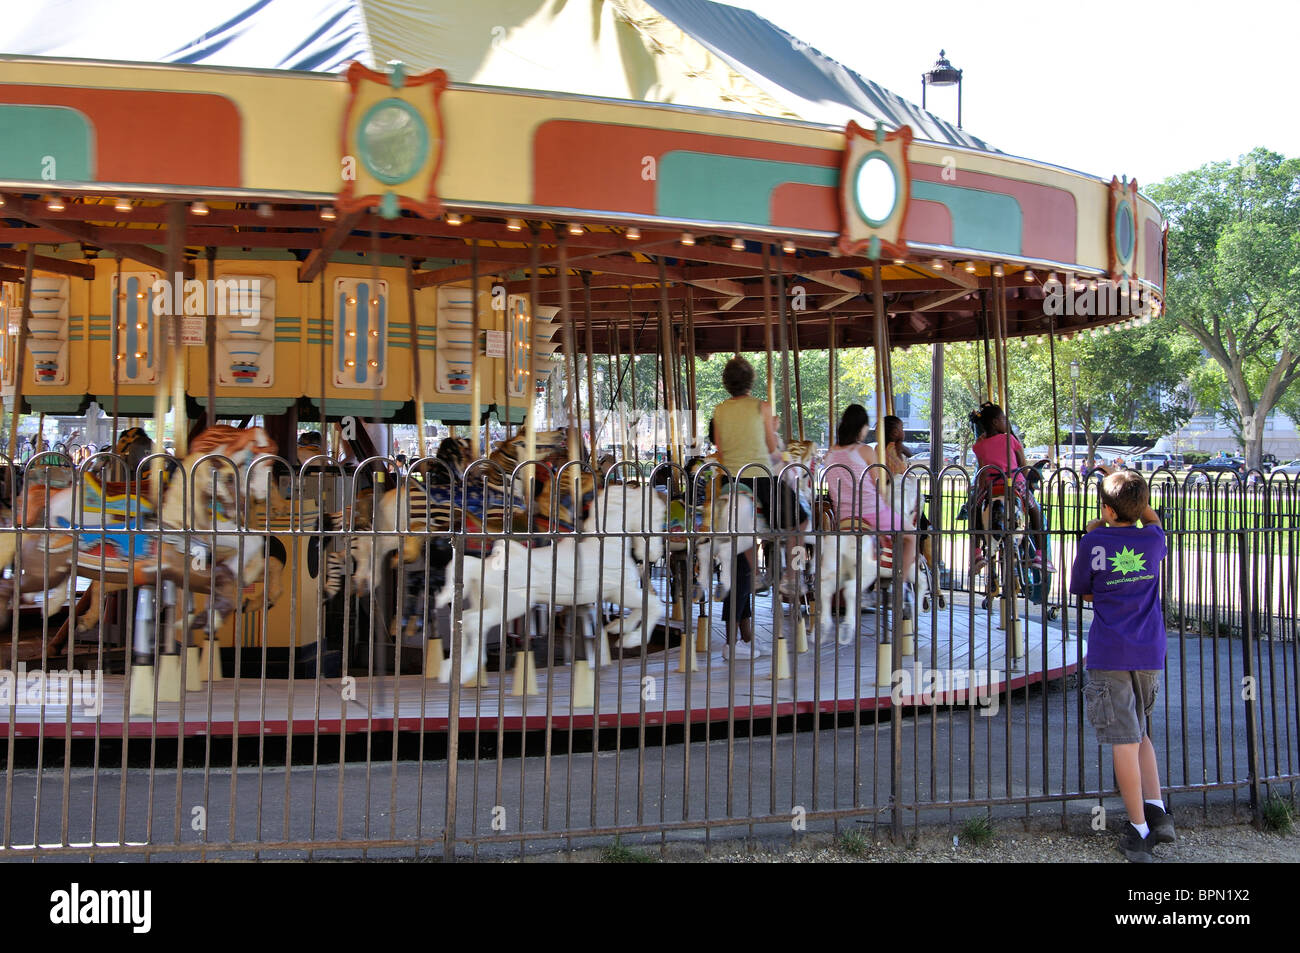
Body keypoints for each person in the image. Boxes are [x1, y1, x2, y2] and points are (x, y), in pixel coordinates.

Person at [1070, 468, 1173, 862]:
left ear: (1108, 510)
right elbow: (1152, 519)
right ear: (1141, 505)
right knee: (1142, 733)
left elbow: (1083, 591)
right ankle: (1157, 811)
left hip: (1110, 651)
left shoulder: (1094, 541)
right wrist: (1137, 502)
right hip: (1149, 651)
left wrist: (1097, 523)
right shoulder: (1152, 538)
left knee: (1123, 741)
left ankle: (1138, 828)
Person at [710, 356, 810, 658]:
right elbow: (769, 448)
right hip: (759, 480)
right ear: (751, 381)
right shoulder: (761, 407)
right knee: (800, 519)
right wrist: (783, 450)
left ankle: (753, 583)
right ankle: (792, 576)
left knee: (739, 557)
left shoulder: (719, 409)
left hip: (730, 484)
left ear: (727, 383)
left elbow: (721, 447)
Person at [823, 404, 918, 595]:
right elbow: (879, 484)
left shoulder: (831, 453)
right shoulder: (865, 451)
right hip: (871, 513)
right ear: (862, 427)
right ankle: (901, 585)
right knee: (911, 536)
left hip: (844, 517)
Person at [969, 403, 1053, 573]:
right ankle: (1040, 554)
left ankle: (976, 553)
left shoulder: (978, 446)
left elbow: (982, 470)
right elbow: (1023, 465)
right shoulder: (1010, 439)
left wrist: (980, 488)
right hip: (1015, 483)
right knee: (1034, 510)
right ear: (994, 422)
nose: (1006, 422)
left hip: (992, 487)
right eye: (1003, 419)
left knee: (975, 510)